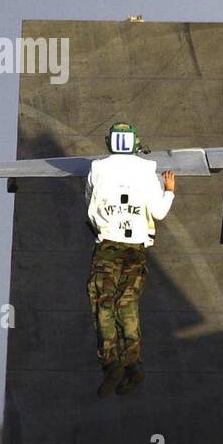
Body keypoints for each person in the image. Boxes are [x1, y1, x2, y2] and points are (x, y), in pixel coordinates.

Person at [85, 121, 175, 397]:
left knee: (103, 304)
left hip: (108, 248)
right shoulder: (148, 170)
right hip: (135, 249)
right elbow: (159, 212)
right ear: (135, 142)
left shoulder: (97, 169)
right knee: (127, 306)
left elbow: (89, 211)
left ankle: (111, 365)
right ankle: (133, 366)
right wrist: (169, 189)